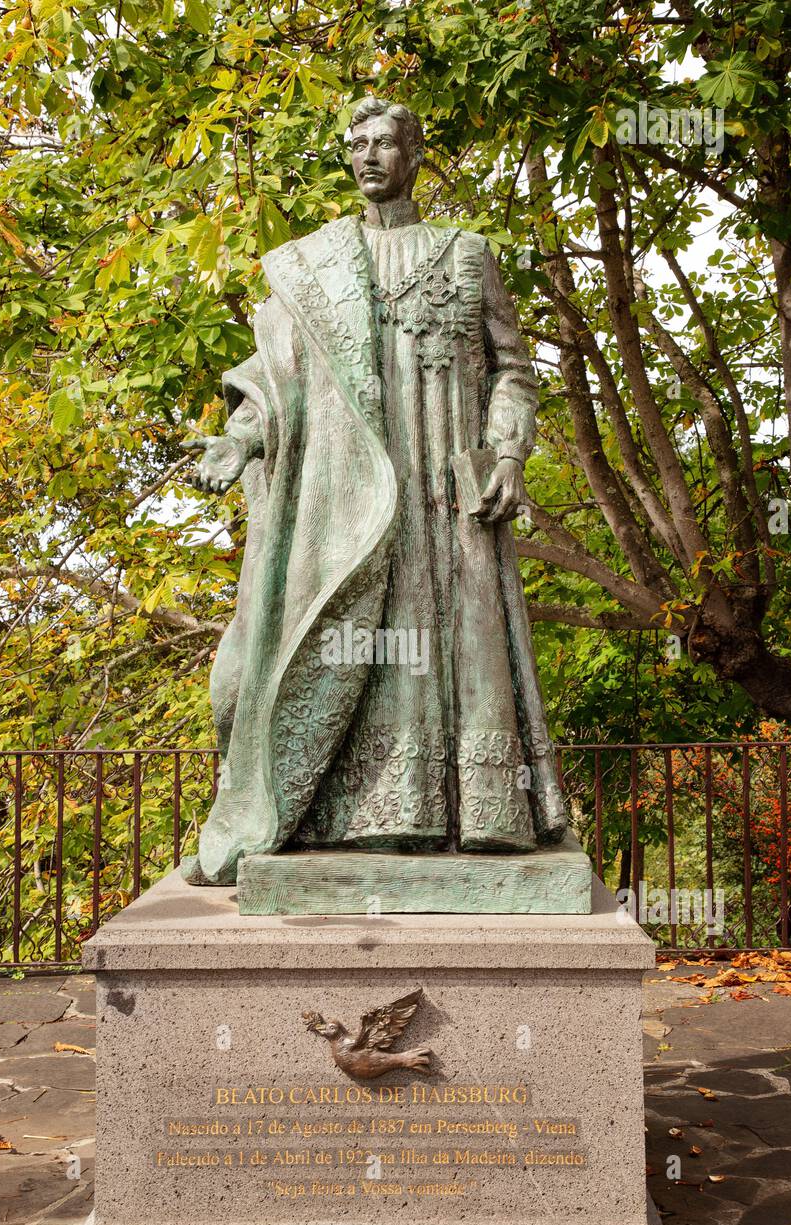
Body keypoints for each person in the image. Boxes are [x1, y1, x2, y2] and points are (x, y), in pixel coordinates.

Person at [184, 96, 567, 886]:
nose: (366, 157)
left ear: (415, 153)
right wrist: (243, 438)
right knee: (342, 638)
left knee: (451, 642)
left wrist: (507, 455)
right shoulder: (312, 265)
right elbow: (275, 380)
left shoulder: (466, 253)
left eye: (383, 142)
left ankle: (473, 816)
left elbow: (514, 374)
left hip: (446, 492)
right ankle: (345, 820)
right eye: (354, 145)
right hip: (346, 496)